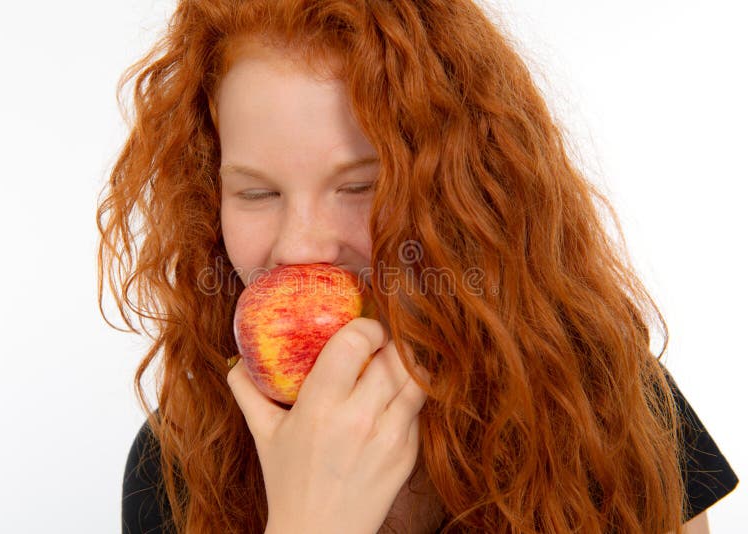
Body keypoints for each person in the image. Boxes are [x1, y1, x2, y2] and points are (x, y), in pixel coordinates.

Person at [97, 1, 738, 532]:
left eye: (361, 186)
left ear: (464, 193)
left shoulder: (603, 398)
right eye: (256, 193)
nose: (301, 248)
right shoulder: (176, 467)